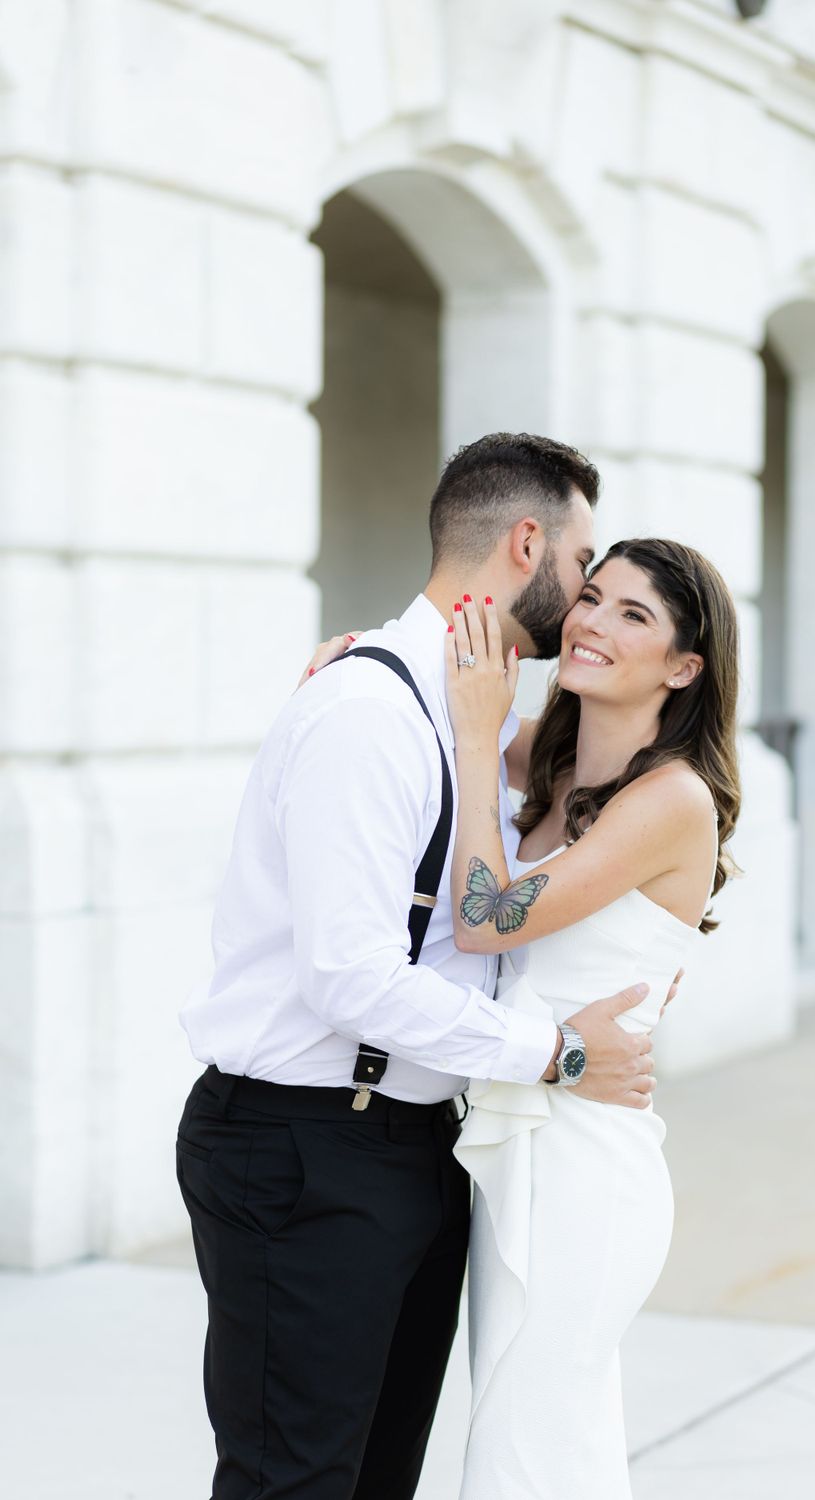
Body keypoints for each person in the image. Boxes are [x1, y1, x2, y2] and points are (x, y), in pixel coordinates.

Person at [175, 433, 681, 1500]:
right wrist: (554, 1051)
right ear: (526, 544)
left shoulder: (471, 712)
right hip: (308, 1147)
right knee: (295, 1481)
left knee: (377, 1478)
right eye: (583, 569)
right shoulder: (372, 713)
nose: (584, 604)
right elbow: (351, 978)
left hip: (421, 1145)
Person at [315, 537, 741, 1497]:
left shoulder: (671, 798)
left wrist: (477, 746)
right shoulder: (551, 757)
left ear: (684, 668)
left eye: (633, 614)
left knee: (532, 1447)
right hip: (515, 1140)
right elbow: (427, 700)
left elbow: (484, 918)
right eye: (592, 597)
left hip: (586, 1163)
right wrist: (359, 656)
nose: (590, 622)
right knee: (525, 1441)